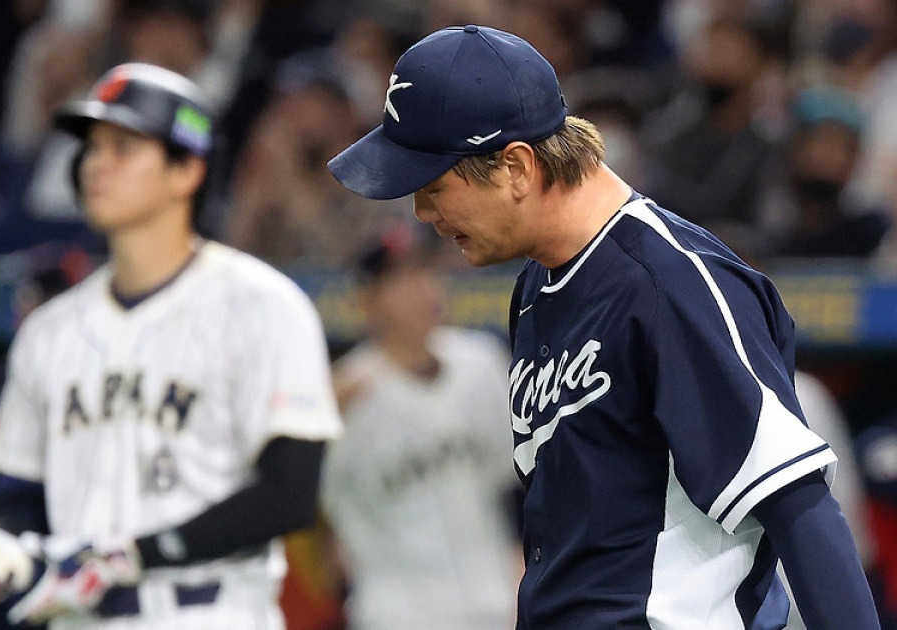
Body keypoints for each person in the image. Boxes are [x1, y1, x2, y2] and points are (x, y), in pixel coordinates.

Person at [327, 24, 880, 629]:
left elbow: (799, 505)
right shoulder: (537, 288)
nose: (423, 214)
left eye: (434, 188)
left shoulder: (672, 283)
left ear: (515, 166)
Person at [0, 62, 342, 629]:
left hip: (212, 611)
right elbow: (23, 499)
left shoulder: (263, 304)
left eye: (124, 147)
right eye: (92, 148)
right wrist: (5, 553)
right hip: (81, 618)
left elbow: (289, 495)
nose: (95, 164)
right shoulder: (48, 330)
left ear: (186, 169)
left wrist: (130, 555)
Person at [320, 222, 521, 629]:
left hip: (497, 601)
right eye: (402, 280)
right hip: (398, 613)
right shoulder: (338, 397)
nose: (423, 290)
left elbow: (517, 483)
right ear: (366, 300)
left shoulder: (481, 363)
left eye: (428, 272)